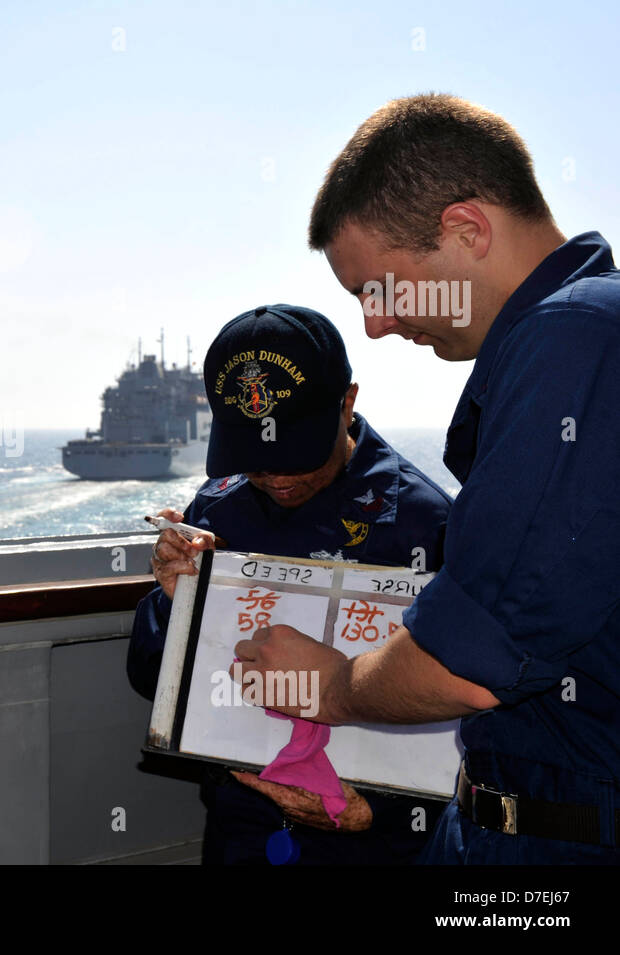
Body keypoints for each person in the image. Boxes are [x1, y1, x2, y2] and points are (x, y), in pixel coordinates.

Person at [241, 93, 620, 864]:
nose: (375, 326)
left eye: (377, 291)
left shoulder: (573, 341)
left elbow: (465, 665)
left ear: (466, 230)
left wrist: (335, 686)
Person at [126, 304, 453, 864]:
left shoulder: (424, 525)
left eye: (295, 455)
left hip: (372, 837)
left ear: (347, 403)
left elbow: (467, 703)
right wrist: (176, 602)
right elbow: (150, 678)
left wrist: (381, 812)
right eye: (254, 459)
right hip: (243, 824)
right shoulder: (217, 510)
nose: (276, 476)